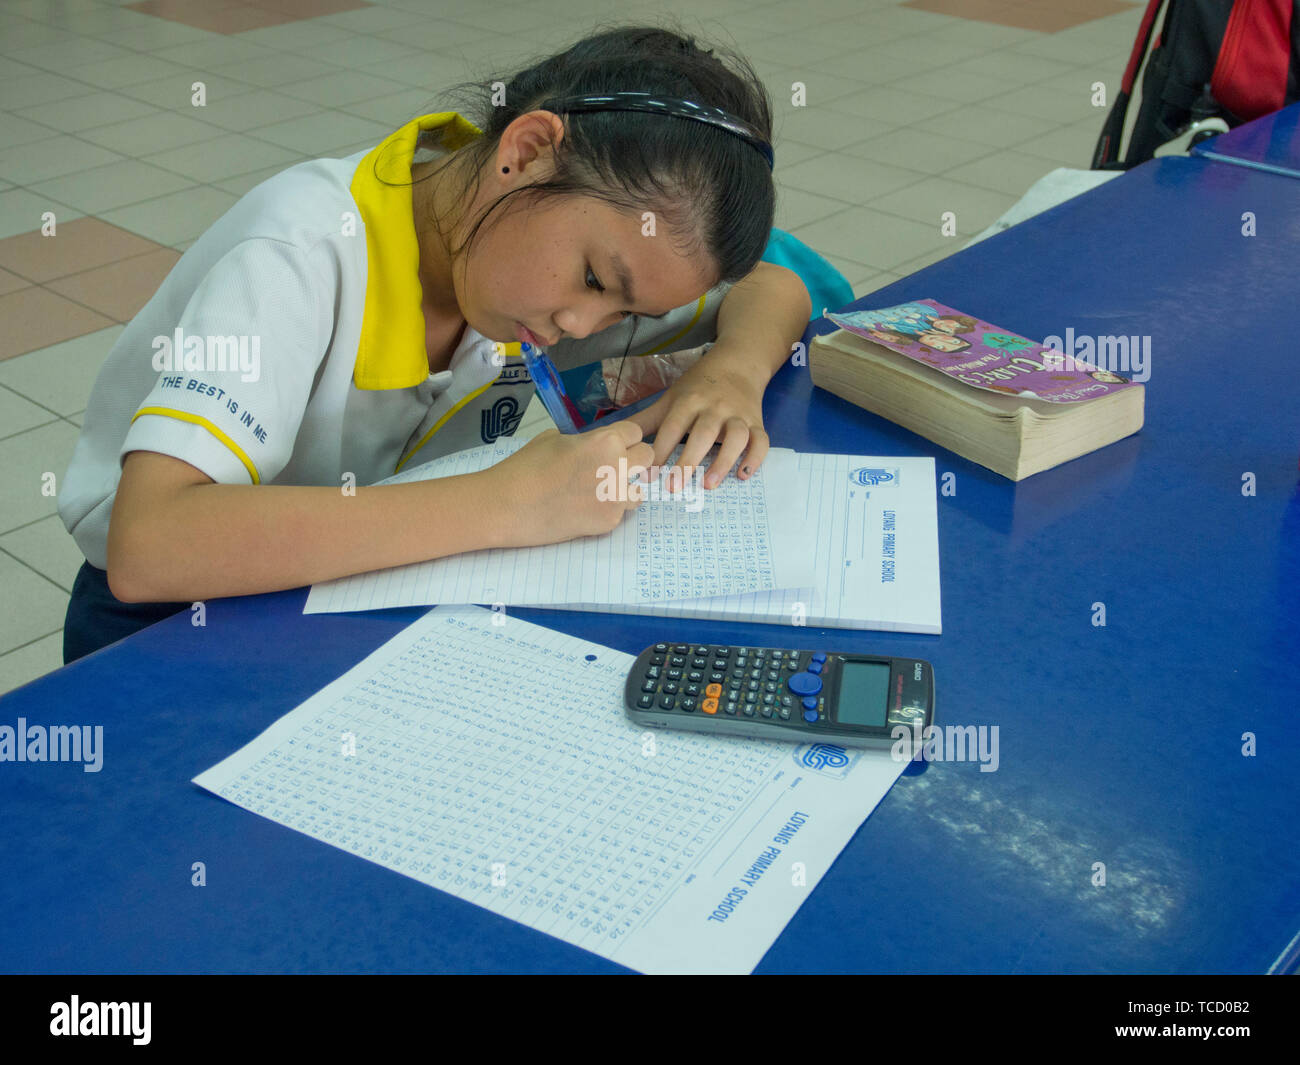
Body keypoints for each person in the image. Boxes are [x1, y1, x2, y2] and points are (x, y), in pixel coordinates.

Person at [57, 25, 812, 663]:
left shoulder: (540, 280)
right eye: (593, 278)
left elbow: (777, 288)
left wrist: (734, 372)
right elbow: (151, 543)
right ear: (527, 149)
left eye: (629, 307)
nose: (587, 326)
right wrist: (508, 502)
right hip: (171, 623)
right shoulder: (300, 253)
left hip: (362, 590)